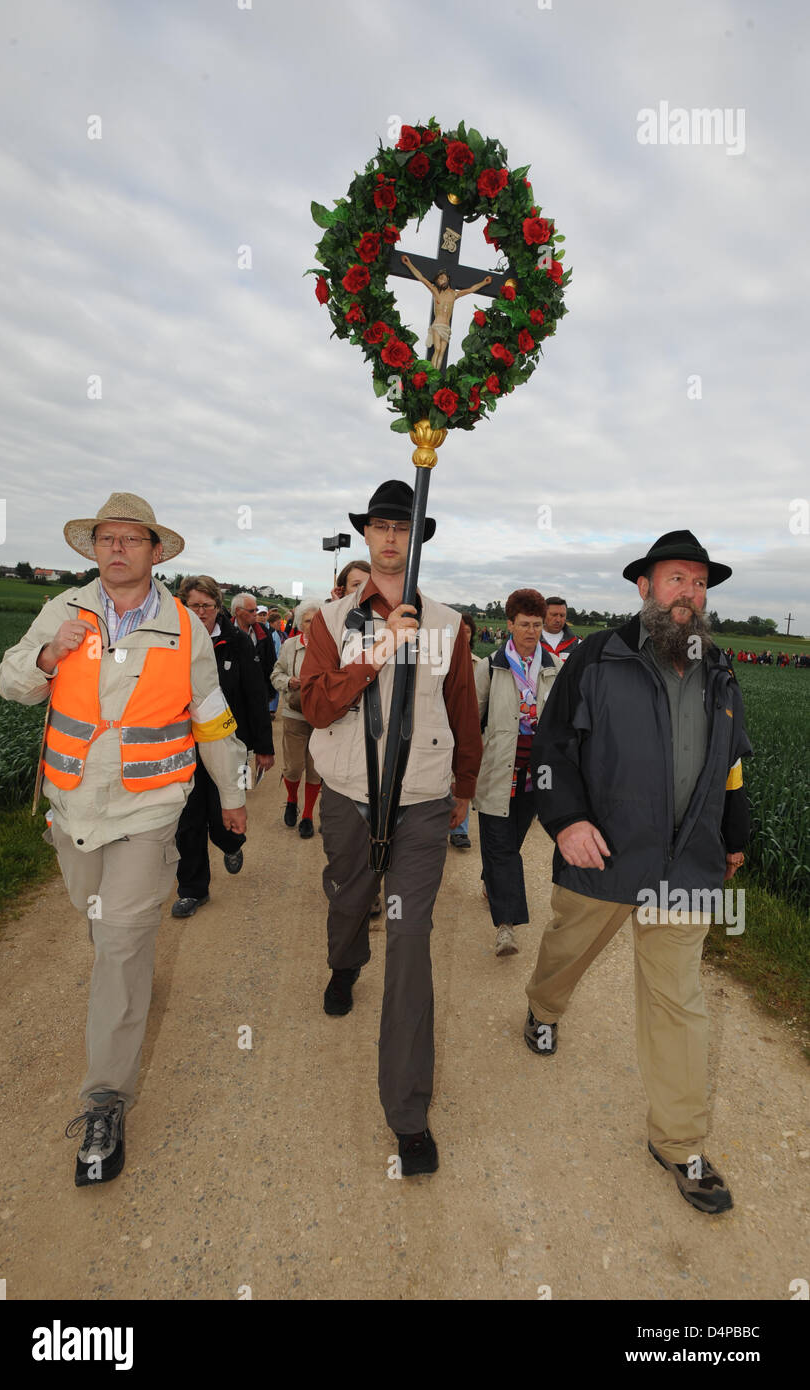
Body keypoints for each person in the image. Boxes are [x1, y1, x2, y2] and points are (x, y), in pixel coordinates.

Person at [0, 493, 246, 1188]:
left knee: (125, 941)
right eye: (106, 538)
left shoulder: (185, 630)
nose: (116, 549)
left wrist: (233, 793)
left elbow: (212, 714)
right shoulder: (63, 612)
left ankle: (105, 1099)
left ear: (156, 552)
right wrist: (47, 655)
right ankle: (118, 985)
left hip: (148, 810)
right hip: (73, 813)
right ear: (93, 549)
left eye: (130, 539)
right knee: (99, 926)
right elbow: (9, 683)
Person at [523, 530, 751, 1215]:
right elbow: (552, 747)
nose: (691, 593)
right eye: (677, 578)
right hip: (605, 854)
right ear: (645, 586)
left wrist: (732, 834)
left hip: (685, 866)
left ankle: (679, 1142)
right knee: (569, 950)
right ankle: (542, 1006)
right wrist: (566, 820)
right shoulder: (599, 657)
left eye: (700, 582)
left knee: (678, 999)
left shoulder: (720, 671)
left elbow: (732, 763)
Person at [300, 479, 482, 1176]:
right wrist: (376, 652)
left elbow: (464, 708)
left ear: (416, 539)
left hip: (421, 803)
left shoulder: (450, 625)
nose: (389, 537)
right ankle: (345, 962)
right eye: (378, 525)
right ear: (365, 536)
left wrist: (463, 785)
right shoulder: (329, 618)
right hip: (349, 794)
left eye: (402, 527)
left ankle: (408, 1112)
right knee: (349, 897)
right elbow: (316, 706)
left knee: (410, 938)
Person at [171, 576, 274, 917]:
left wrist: (263, 746)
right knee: (188, 819)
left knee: (222, 813)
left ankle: (231, 843)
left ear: (217, 608)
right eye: (193, 606)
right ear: (181, 606)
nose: (200, 613)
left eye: (206, 606)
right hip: (183, 746)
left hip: (228, 745)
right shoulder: (170, 641)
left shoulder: (236, 643)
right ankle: (192, 889)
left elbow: (256, 696)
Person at [473, 590, 559, 956]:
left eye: (537, 625)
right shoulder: (490, 667)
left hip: (534, 778)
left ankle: (489, 878)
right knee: (503, 848)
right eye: (524, 624)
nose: (531, 631)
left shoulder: (557, 669)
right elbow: (471, 722)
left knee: (512, 842)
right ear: (509, 624)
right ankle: (506, 926)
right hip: (497, 772)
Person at [271, 601, 322, 838]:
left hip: (322, 718)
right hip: (294, 714)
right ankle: (292, 800)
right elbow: (275, 674)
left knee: (315, 769)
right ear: (300, 623)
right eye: (309, 620)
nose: (313, 625)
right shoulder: (290, 645)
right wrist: (290, 681)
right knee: (293, 767)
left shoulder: (330, 647)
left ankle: (308, 815)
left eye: (318, 619)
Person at [400, 256, 492, 370]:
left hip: (446, 327)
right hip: (438, 325)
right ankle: (431, 373)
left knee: (442, 352)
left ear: (448, 279)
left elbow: (470, 289)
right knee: (437, 349)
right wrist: (409, 264)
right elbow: (421, 278)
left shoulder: (454, 294)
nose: (441, 280)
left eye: (443, 278)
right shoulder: (435, 291)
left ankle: (436, 375)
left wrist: (484, 282)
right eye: (439, 279)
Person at [449, 612, 479, 849]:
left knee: (463, 776)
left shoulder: (479, 664)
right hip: (446, 726)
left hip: (469, 725)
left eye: (467, 631)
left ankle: (460, 830)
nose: (463, 635)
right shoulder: (443, 660)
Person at [230, 592, 275, 688]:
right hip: (231, 694)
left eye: (256, 610)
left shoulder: (263, 631)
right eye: (251, 611)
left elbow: (271, 662)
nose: (255, 614)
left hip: (258, 692)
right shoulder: (225, 632)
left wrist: (269, 692)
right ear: (238, 611)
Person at [540, 596, 581, 663]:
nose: (558, 620)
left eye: (562, 615)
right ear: (543, 614)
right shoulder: (532, 641)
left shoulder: (578, 643)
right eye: (554, 615)